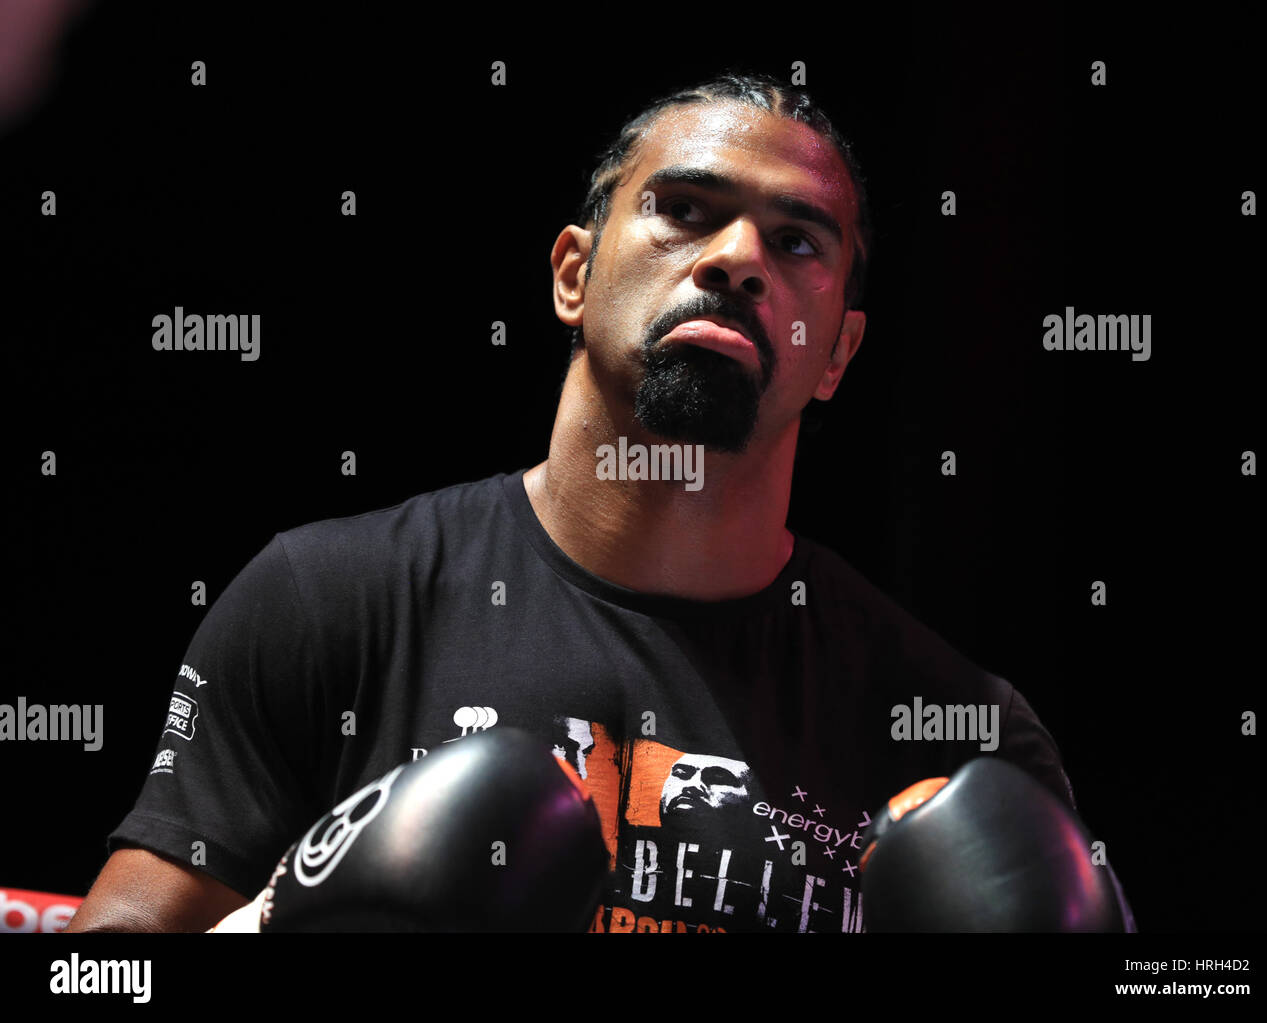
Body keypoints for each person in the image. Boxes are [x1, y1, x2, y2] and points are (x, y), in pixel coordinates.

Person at [67, 72, 1079, 934]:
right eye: (684, 210)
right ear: (572, 273)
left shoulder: (952, 731)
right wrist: (294, 916)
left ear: (838, 357)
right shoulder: (333, 600)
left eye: (797, 242)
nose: (735, 260)